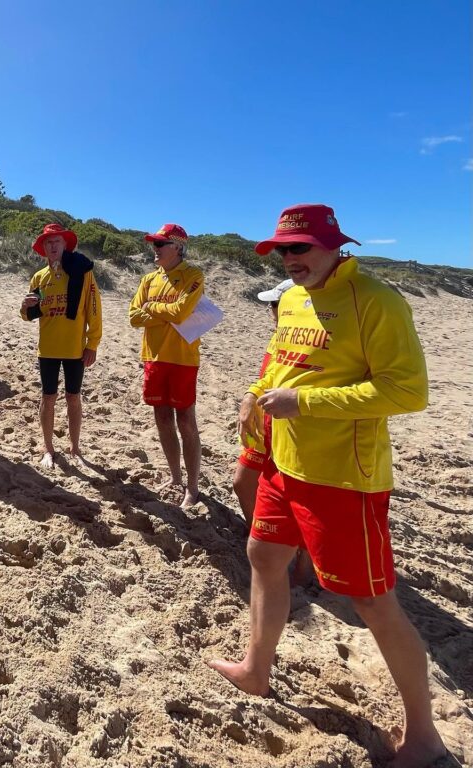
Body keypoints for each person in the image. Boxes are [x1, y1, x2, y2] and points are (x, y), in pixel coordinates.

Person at [207, 204, 445, 768]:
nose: (290, 259)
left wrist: (304, 402)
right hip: (284, 463)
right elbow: (281, 364)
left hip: (344, 476)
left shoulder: (378, 301)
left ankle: (424, 736)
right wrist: (253, 393)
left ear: (335, 246)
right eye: (282, 250)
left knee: (371, 600)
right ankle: (256, 670)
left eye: (300, 248)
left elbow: (408, 391)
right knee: (264, 555)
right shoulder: (292, 298)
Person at [129, 224, 204, 508]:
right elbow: (133, 317)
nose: (155, 248)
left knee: (186, 422)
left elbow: (182, 312)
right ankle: (175, 477)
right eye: (154, 243)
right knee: (162, 418)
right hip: (154, 356)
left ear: (178, 247)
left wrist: (151, 308)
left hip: (183, 358)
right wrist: (164, 314)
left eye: (160, 244)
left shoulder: (193, 275)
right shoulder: (149, 279)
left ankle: (193, 487)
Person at [21, 223, 102, 468]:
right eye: (48, 242)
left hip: (75, 348)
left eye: (57, 241)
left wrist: (92, 344)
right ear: (43, 248)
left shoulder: (82, 272)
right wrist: (25, 307)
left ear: (66, 245)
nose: (53, 245)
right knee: (48, 398)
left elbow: (94, 309)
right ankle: (48, 449)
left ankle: (75, 448)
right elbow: (32, 313)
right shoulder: (39, 277)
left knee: (73, 397)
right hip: (47, 348)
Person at [232, 278, 293, 525]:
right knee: (243, 483)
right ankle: (257, 533)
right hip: (263, 422)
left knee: (282, 494)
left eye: (275, 304)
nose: (271, 309)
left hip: (285, 426)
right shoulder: (279, 334)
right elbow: (269, 375)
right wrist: (252, 395)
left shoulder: (302, 339)